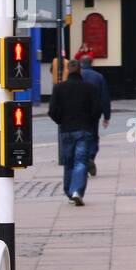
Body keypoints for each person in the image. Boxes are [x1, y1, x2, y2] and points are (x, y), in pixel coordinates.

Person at [48, 58, 101, 206]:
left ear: (67, 71)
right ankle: (77, 191)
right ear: (80, 71)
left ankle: (70, 192)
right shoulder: (90, 88)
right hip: (84, 130)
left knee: (68, 162)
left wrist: (61, 121)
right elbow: (97, 110)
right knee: (81, 162)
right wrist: (90, 123)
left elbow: (52, 111)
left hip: (66, 130)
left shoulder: (59, 88)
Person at [78, 56, 111, 176]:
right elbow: (105, 97)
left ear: (81, 64)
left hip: (80, 112)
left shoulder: (77, 76)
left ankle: (84, 159)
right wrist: (106, 116)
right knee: (93, 135)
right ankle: (91, 156)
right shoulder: (98, 77)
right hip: (94, 112)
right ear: (92, 63)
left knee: (81, 136)